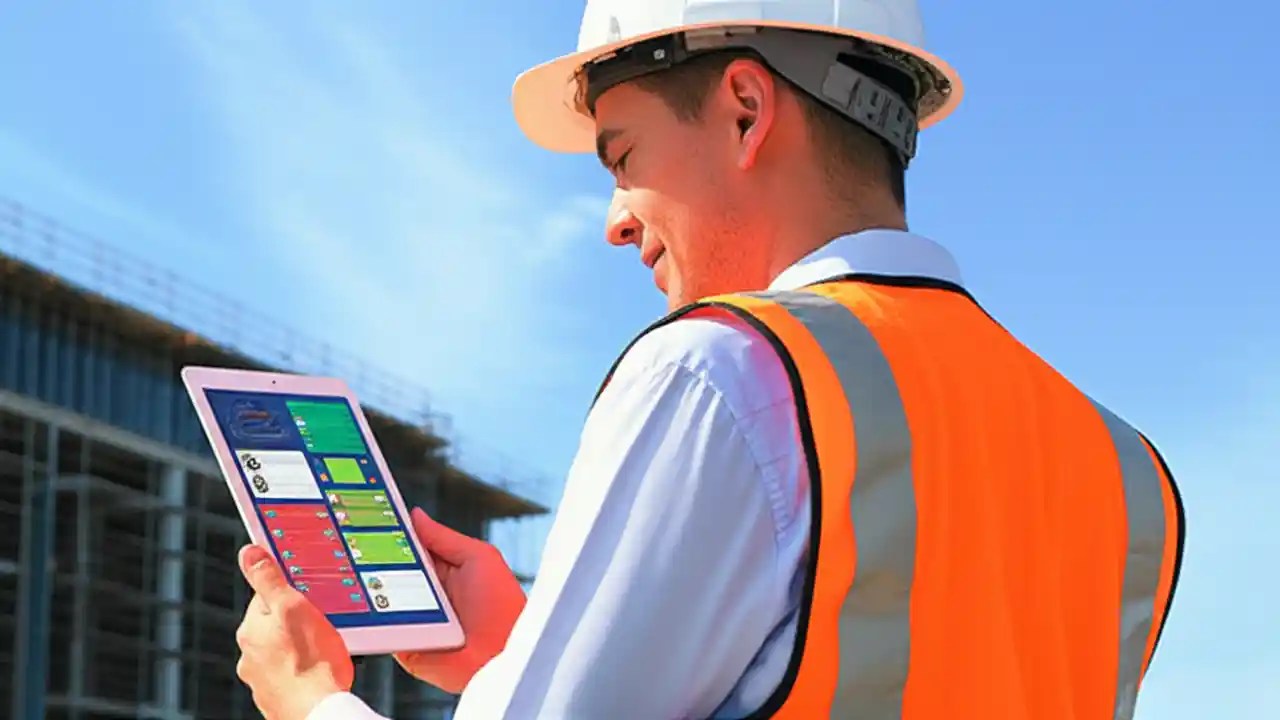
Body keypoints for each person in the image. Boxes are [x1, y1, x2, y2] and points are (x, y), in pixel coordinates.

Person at [232, 1, 1187, 718]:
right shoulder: (1126, 468)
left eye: (623, 157)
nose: (615, 220)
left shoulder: (722, 372)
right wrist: (521, 654)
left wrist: (311, 698)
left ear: (742, 110)